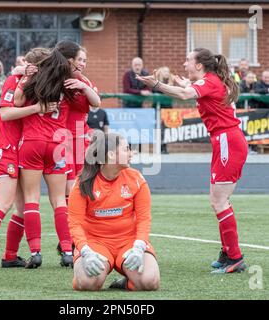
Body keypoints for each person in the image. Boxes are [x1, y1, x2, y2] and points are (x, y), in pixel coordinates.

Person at [137, 47, 248, 274]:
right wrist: (184, 83)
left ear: (199, 65)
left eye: (188, 60)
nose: (184, 63)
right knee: (218, 199)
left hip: (228, 141)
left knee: (220, 200)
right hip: (226, 141)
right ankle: (228, 251)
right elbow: (193, 90)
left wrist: (156, 85)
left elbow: (187, 95)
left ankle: (235, 257)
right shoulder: (211, 80)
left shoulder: (210, 81)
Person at [13, 41, 100, 269]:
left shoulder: (37, 79)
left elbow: (17, 101)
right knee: (60, 200)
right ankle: (68, 251)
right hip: (58, 145)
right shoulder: (70, 84)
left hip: (33, 142)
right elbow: (95, 104)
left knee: (32, 198)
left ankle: (36, 252)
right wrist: (82, 85)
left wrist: (24, 76)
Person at [0, 48, 48, 270]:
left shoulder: (29, 81)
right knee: (4, 201)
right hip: (5, 147)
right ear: (35, 66)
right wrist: (36, 108)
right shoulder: (15, 79)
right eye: (45, 66)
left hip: (17, 148)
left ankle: (10, 256)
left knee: (21, 208)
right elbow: (5, 113)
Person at [68, 131, 160, 291]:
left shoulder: (136, 179)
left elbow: (144, 219)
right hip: (95, 243)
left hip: (129, 242)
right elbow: (75, 224)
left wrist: (139, 246)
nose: (132, 153)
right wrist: (85, 251)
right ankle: (82, 276)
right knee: (87, 284)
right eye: (126, 149)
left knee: (149, 282)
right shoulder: (82, 184)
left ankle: (125, 282)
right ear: (111, 155)